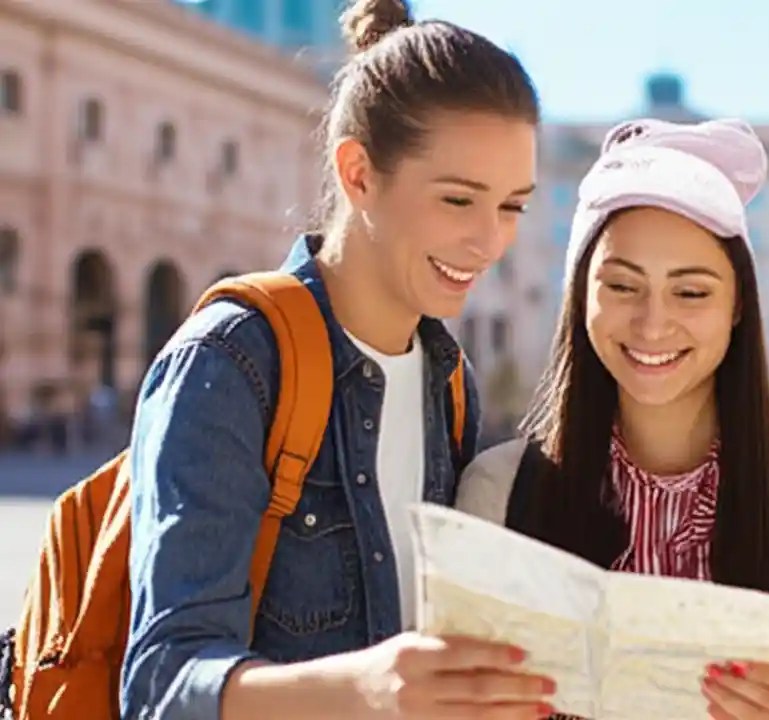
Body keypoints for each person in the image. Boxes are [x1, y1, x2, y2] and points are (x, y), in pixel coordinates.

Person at [121, 2, 557, 718]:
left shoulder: (450, 383)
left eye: (512, 207)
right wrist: (362, 690)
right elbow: (162, 687)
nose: (490, 242)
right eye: (458, 200)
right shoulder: (231, 362)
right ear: (357, 172)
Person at [456, 117, 769, 719]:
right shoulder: (497, 496)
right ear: (582, 294)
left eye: (690, 293)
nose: (653, 324)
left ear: (738, 306)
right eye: (622, 286)